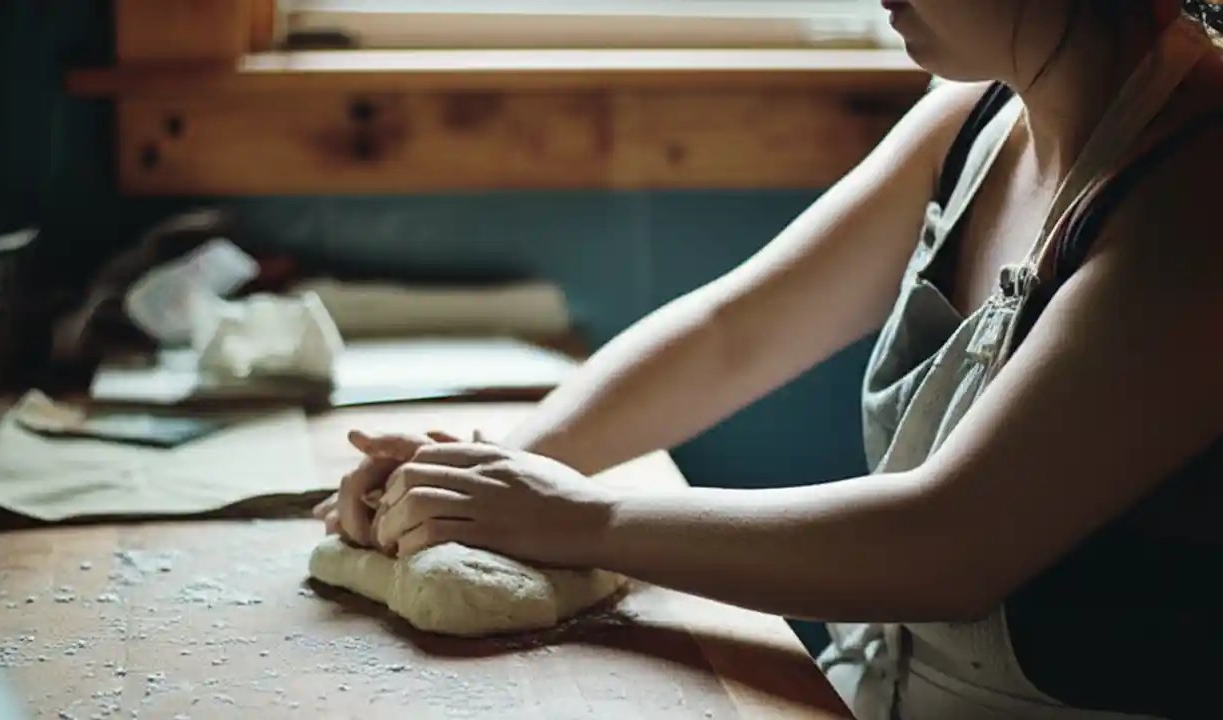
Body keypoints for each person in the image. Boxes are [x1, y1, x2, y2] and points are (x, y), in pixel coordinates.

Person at [316, 2, 1223, 717]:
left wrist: (577, 518)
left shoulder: (1197, 191)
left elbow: (950, 545)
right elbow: (730, 334)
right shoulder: (978, 121)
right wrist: (486, 476)